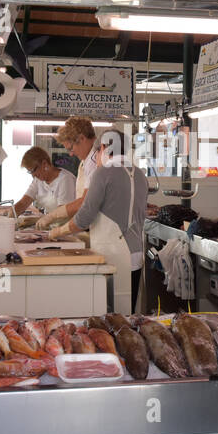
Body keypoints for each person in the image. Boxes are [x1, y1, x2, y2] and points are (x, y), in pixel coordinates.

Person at [48, 130, 147, 313]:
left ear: (103, 148)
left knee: (111, 316)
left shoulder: (102, 174)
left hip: (113, 256)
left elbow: (84, 218)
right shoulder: (140, 174)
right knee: (128, 314)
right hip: (136, 255)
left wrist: (57, 231)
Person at [35, 116, 102, 231]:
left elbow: (85, 202)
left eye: (71, 148)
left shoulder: (95, 161)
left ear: (82, 139)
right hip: (90, 226)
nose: (71, 154)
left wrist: (53, 216)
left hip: (100, 228)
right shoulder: (85, 162)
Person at [12, 146, 76, 218]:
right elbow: (24, 202)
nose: (33, 175)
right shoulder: (38, 180)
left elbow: (63, 212)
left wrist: (46, 220)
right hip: (51, 224)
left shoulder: (66, 179)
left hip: (65, 226)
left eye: (34, 170)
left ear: (44, 164)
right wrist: (11, 213)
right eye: (30, 172)